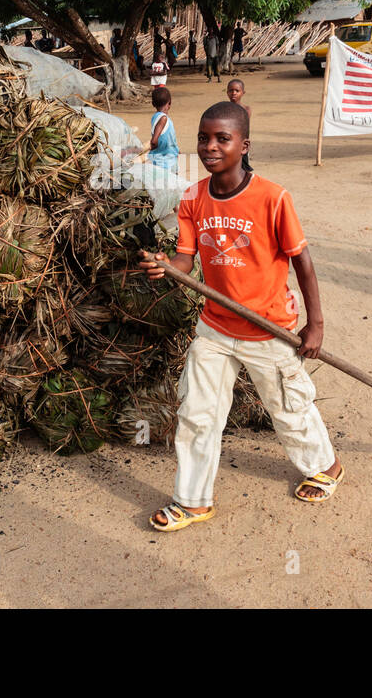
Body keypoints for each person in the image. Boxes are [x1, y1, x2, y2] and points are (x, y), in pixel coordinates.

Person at [138, 101, 341, 531]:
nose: (210, 147)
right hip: (214, 326)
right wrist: (164, 265)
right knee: (197, 411)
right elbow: (185, 262)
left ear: (243, 145)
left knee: (287, 404)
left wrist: (316, 323)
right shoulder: (193, 198)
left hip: (268, 328)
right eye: (203, 138)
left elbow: (302, 261)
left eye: (222, 139)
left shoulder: (272, 198)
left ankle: (325, 465)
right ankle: (192, 500)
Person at [147, 85, 180, 172]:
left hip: (166, 158)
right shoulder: (163, 119)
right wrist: (154, 147)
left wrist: (176, 149)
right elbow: (154, 141)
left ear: (153, 104)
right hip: (165, 161)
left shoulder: (155, 117)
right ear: (170, 103)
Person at [226, 79, 252, 173]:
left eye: (237, 91)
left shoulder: (246, 110)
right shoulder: (224, 110)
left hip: (241, 144)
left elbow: (245, 130)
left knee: (243, 170)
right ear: (227, 92)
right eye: (231, 90)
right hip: (228, 144)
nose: (234, 93)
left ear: (243, 93)